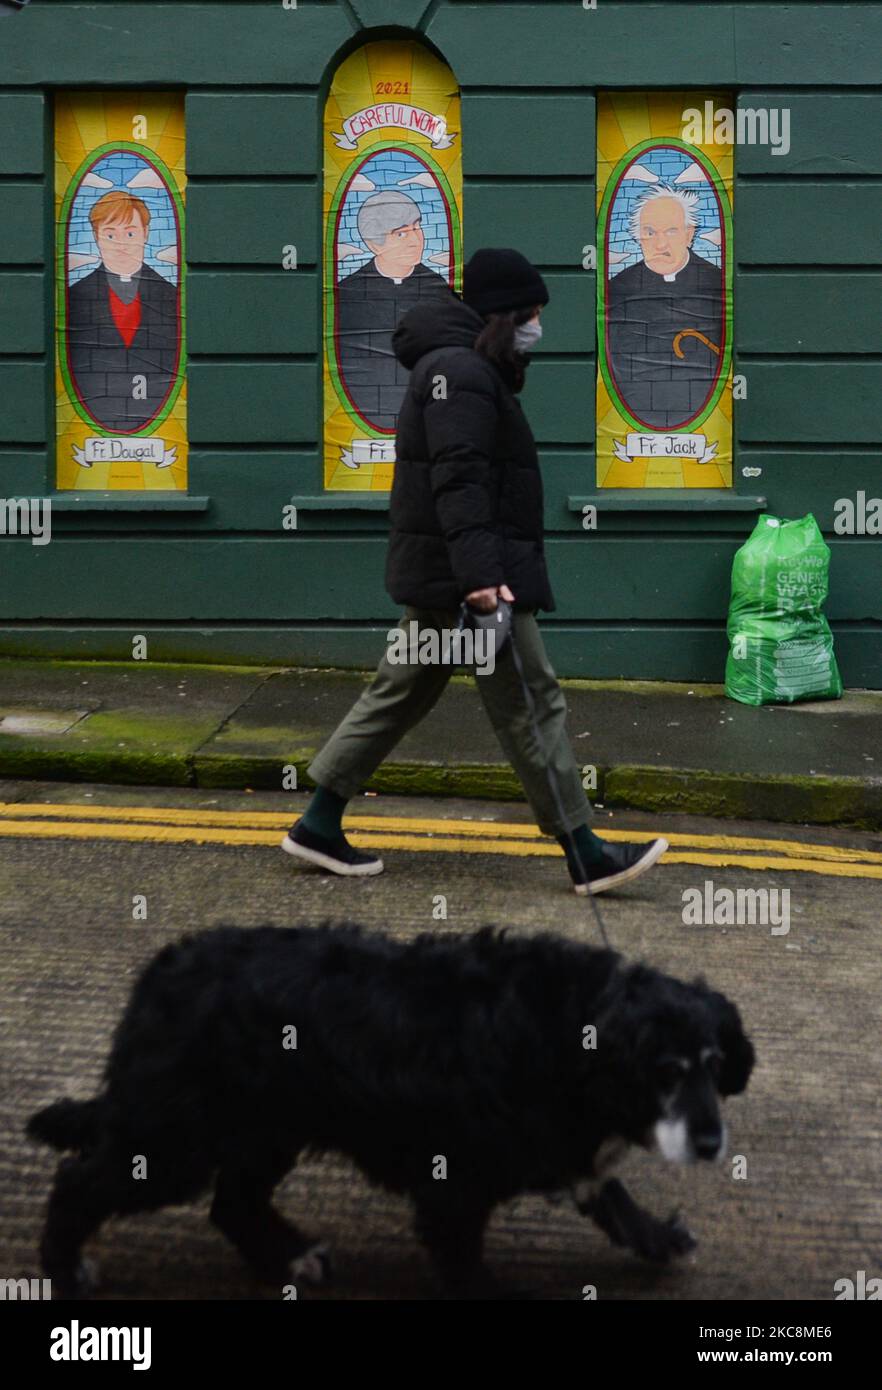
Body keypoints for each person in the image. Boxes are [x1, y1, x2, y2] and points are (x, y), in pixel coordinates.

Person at [283, 247, 667, 895]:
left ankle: (318, 823)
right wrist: (483, 580)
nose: (536, 328)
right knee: (531, 700)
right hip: (473, 580)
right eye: (531, 315)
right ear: (503, 315)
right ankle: (585, 851)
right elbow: (459, 482)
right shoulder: (460, 372)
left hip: (448, 574)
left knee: (401, 690)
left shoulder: (458, 365)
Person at [607, 184, 722, 429]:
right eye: (649, 232)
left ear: (689, 234)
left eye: (671, 231)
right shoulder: (617, 290)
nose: (660, 244)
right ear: (637, 235)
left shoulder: (717, 283)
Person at [67, 190, 179, 434]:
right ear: (97, 237)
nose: (121, 244)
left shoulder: (172, 298)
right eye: (110, 234)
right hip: (95, 416)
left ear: (145, 234)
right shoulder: (74, 298)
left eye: (130, 232)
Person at [335, 190, 449, 430]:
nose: (415, 240)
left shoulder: (439, 291)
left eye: (417, 227)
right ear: (373, 244)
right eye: (400, 233)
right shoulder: (347, 294)